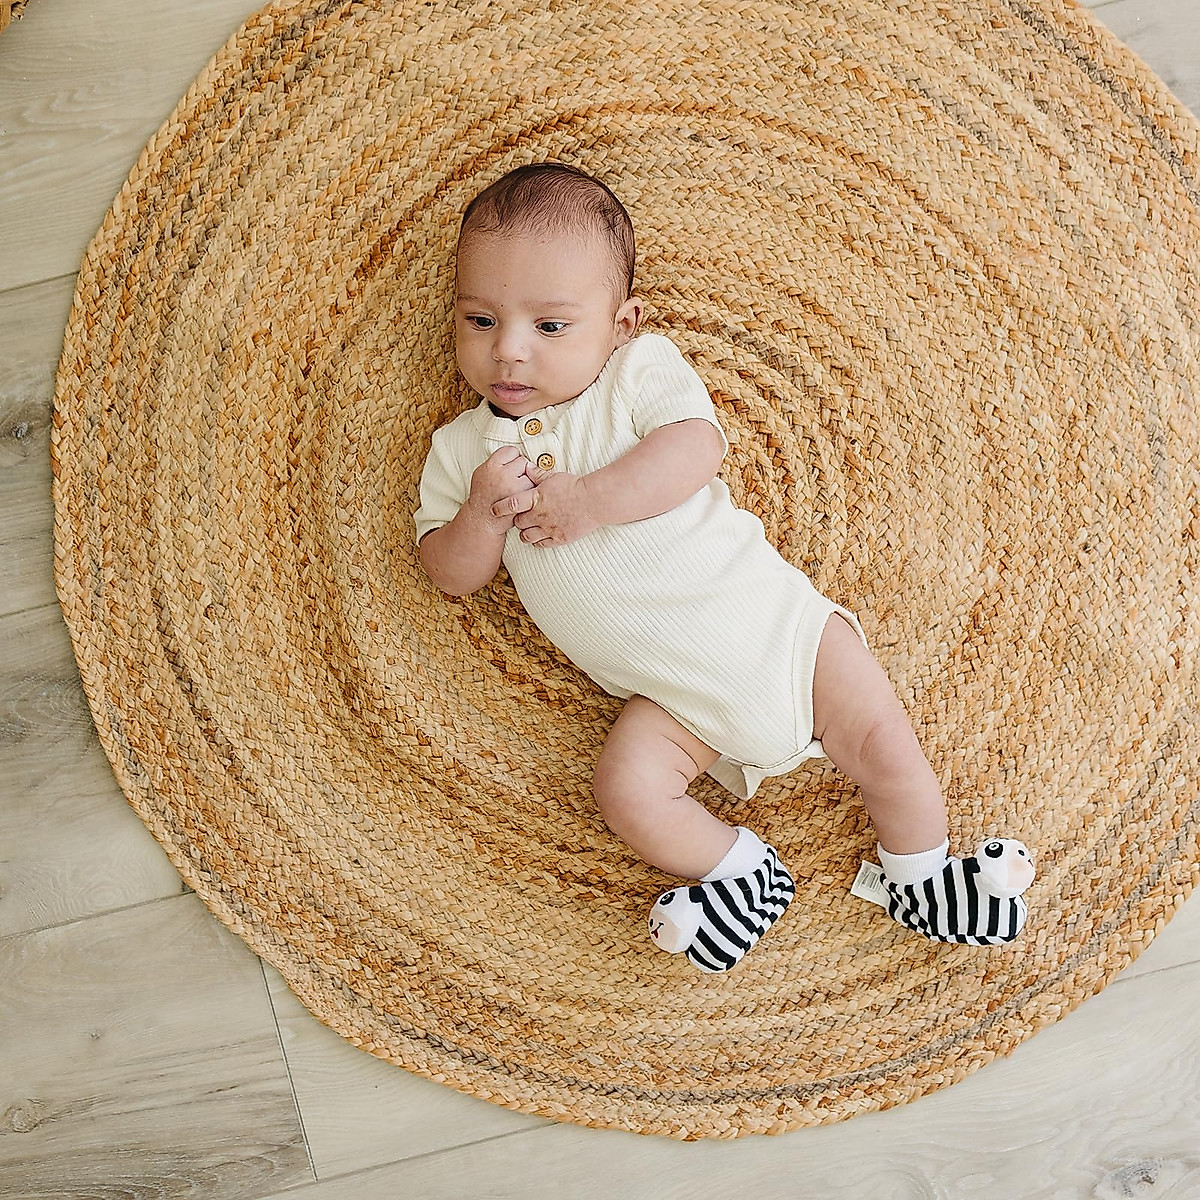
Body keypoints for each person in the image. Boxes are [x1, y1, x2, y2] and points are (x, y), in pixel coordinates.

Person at [415, 162, 1035, 973]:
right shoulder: (464, 452)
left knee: (888, 747)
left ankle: (919, 874)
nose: (511, 352)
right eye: (481, 319)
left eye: (552, 327)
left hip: (782, 635)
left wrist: (593, 500)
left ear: (621, 323)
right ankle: (740, 873)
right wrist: (479, 517)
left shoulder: (635, 377)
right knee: (627, 791)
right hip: (674, 698)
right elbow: (445, 572)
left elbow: (695, 448)